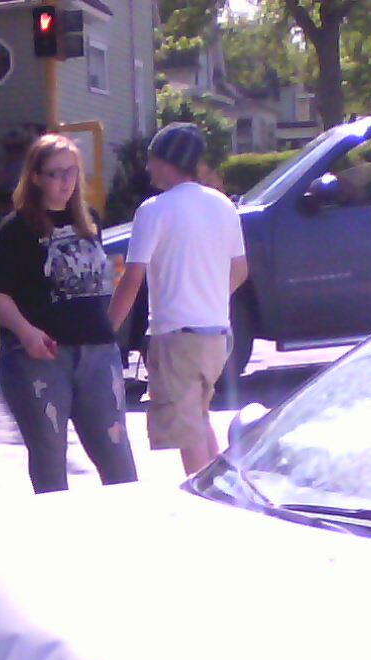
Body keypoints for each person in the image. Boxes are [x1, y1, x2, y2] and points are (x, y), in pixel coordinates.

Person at [0, 133, 137, 493]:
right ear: (35, 177)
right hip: (41, 358)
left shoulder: (89, 221)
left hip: (97, 354)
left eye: (72, 172)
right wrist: (26, 332)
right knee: (50, 459)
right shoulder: (16, 229)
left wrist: (107, 329)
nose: (66, 181)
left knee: (117, 459)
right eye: (55, 173)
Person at [106, 122, 247, 475]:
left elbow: (132, 279)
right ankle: (222, 487)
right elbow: (241, 269)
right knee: (199, 421)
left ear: (167, 161)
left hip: (176, 337)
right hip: (217, 336)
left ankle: (207, 507)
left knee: (188, 435)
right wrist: (210, 295)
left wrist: (106, 330)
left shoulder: (153, 210)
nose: (148, 167)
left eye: (152, 159)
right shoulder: (222, 205)